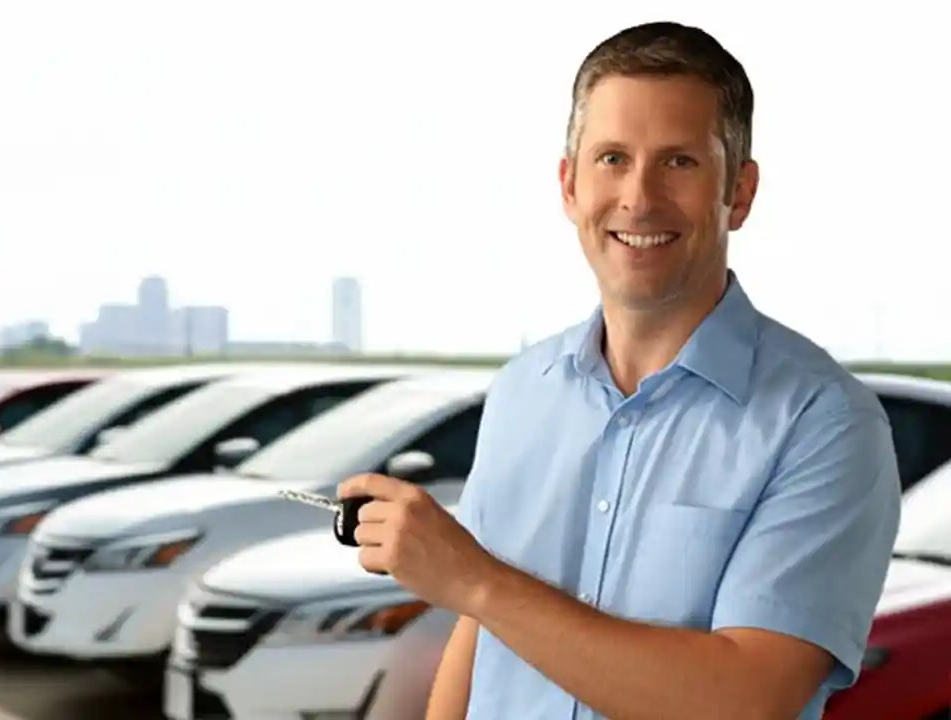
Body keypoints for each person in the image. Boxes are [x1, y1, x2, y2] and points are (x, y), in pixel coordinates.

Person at [337, 20, 901, 720]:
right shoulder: (522, 393)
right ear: (570, 185)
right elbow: (478, 635)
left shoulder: (825, 424)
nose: (639, 197)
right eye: (612, 158)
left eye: (680, 162)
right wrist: (473, 594)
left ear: (740, 193)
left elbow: (748, 699)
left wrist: (474, 581)